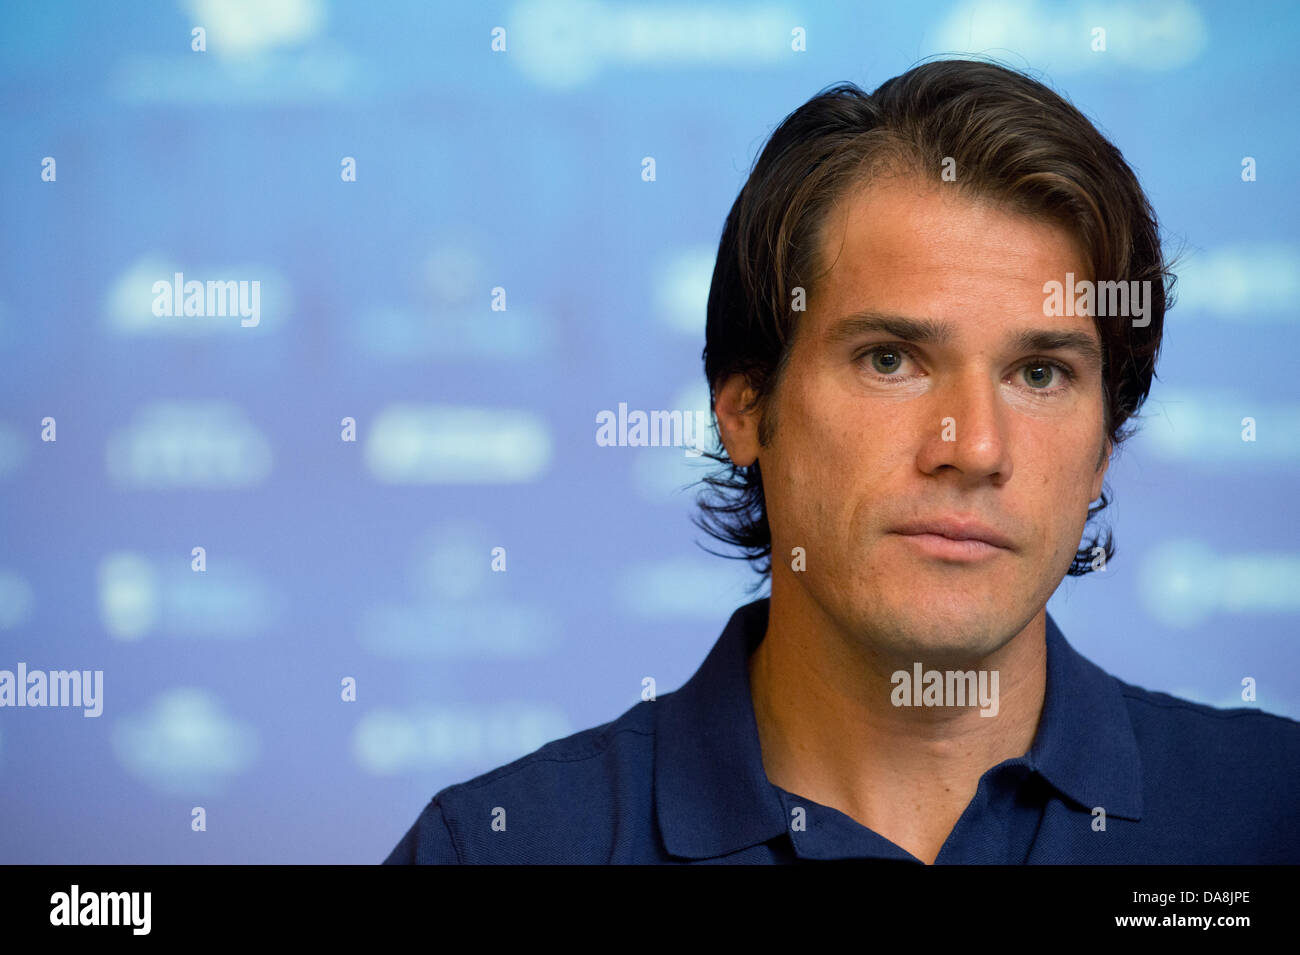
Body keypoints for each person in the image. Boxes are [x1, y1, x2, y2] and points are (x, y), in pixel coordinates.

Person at [384, 58, 1300, 864]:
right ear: (744, 404)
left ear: (1106, 444)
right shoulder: (508, 847)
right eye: (891, 360)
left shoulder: (1273, 815)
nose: (974, 448)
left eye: (1039, 372)